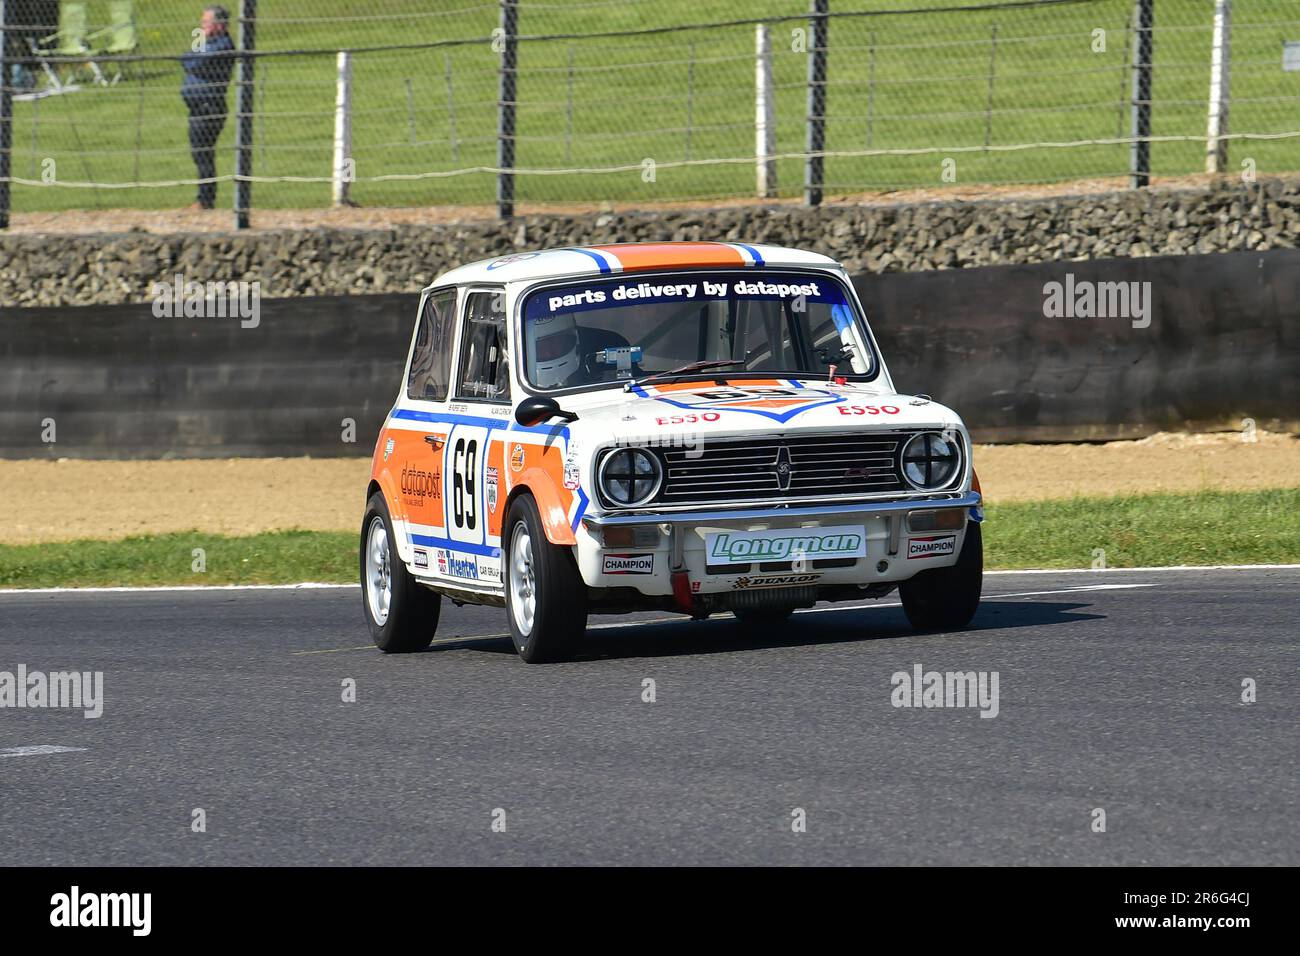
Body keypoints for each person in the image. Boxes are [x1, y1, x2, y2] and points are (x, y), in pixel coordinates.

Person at [181, 5, 235, 210]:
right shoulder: (205, 41)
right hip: (197, 107)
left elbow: (193, 63)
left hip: (209, 107)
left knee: (203, 153)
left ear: (219, 25)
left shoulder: (223, 45)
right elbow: (188, 57)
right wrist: (193, 56)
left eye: (206, 23)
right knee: (199, 153)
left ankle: (205, 200)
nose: (202, 27)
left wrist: (192, 58)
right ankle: (203, 198)